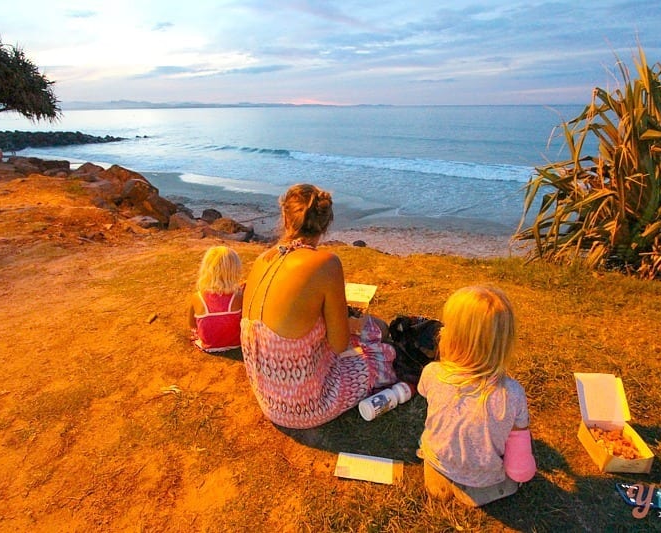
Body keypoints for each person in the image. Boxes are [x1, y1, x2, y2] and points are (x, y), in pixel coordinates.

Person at [240, 183, 397, 429]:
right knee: (379, 349)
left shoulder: (263, 259)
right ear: (326, 224)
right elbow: (339, 344)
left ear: (285, 217)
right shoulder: (326, 263)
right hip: (308, 406)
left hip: (269, 401)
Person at [418, 286, 536, 507]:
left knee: (432, 444)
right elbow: (520, 469)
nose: (440, 332)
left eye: (446, 327)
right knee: (514, 468)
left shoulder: (432, 373)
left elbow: (425, 394)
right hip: (485, 479)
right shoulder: (513, 393)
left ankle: (441, 476)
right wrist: (522, 470)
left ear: (453, 338)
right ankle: (476, 490)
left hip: (438, 458)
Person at [188, 245, 243, 353]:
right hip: (236, 343)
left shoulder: (197, 297)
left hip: (208, 345)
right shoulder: (238, 297)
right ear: (235, 270)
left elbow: (192, 324)